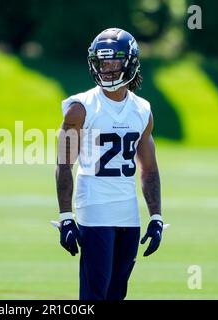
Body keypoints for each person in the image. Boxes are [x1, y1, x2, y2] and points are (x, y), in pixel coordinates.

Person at [55, 28, 164, 300]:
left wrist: (156, 216)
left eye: (114, 61)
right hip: (94, 207)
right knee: (94, 294)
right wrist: (66, 217)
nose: (107, 69)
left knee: (117, 294)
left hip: (128, 209)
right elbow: (64, 163)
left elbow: (148, 168)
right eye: (102, 62)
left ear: (130, 62)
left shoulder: (142, 110)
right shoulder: (80, 108)